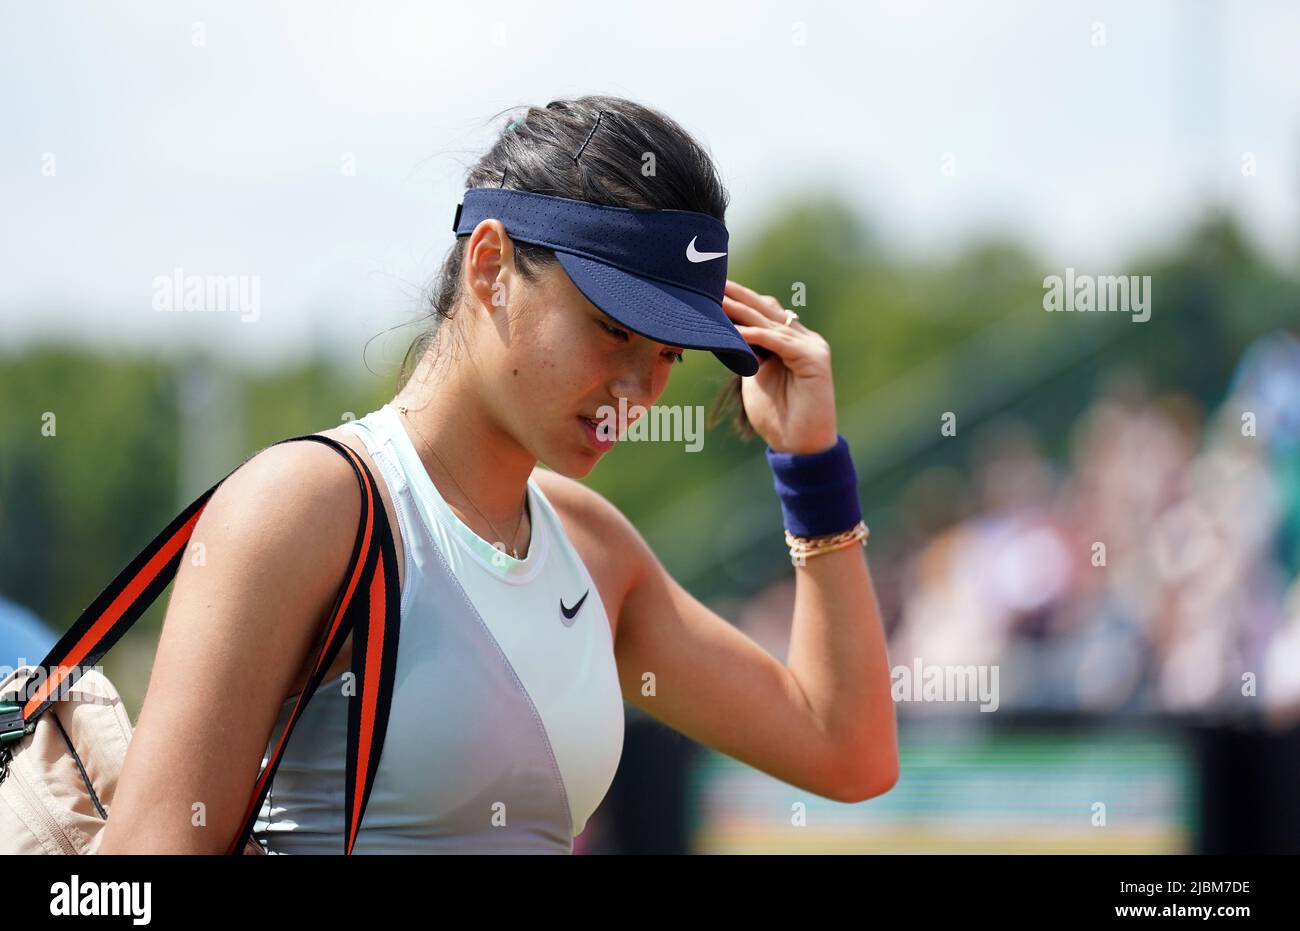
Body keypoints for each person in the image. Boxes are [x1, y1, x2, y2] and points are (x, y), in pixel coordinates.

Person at [96, 95, 898, 854]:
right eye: (614, 330)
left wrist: (809, 464)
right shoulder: (307, 506)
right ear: (490, 266)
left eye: (666, 354)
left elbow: (846, 752)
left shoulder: (593, 546)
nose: (639, 390)